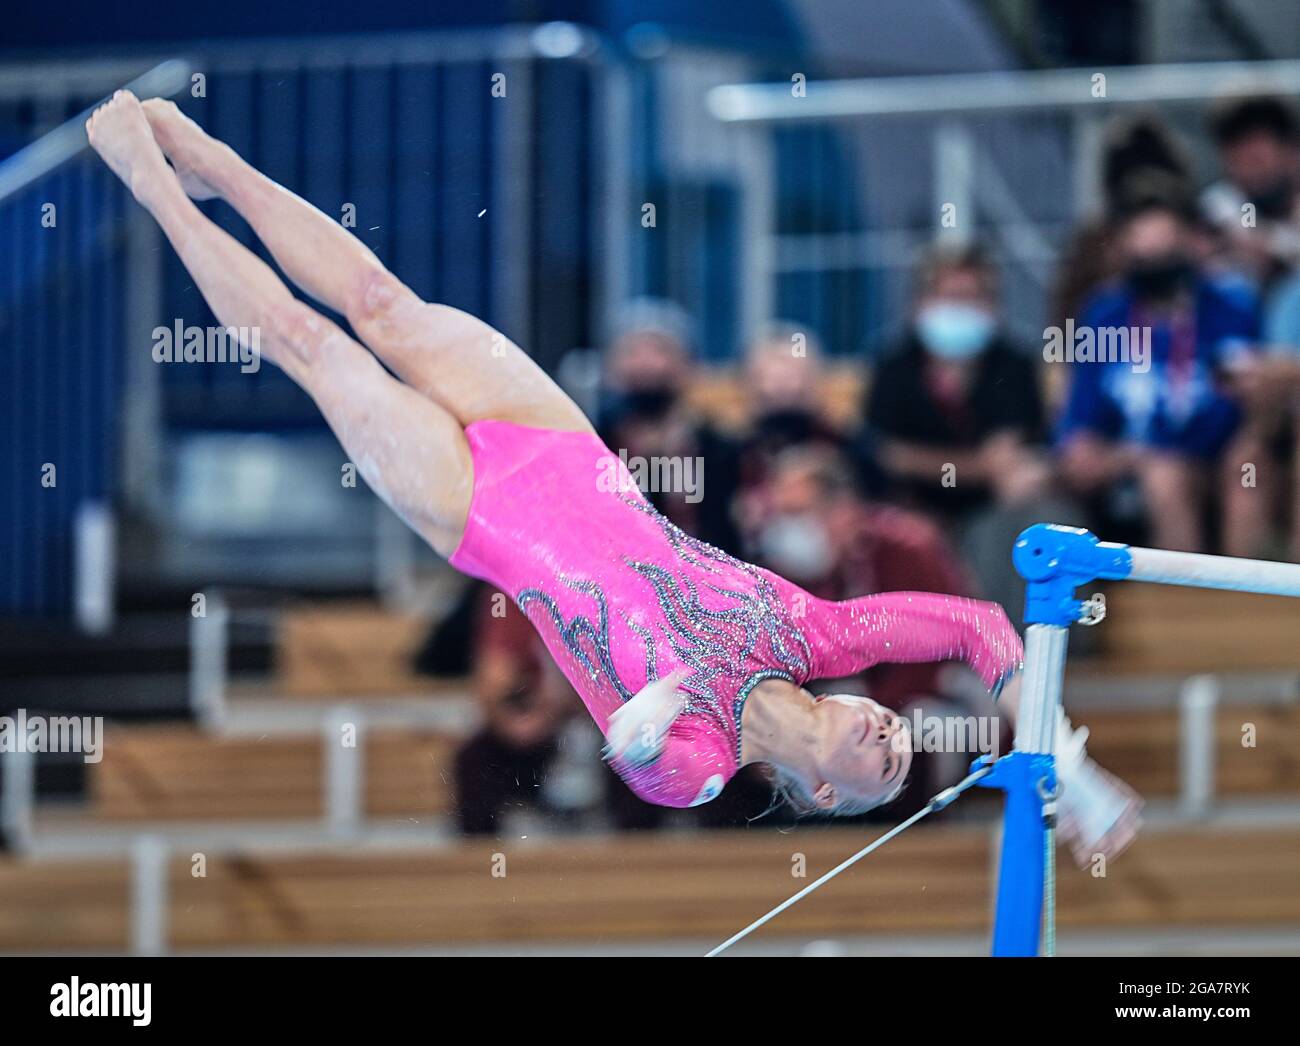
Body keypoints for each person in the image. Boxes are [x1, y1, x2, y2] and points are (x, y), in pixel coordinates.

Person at [85, 91, 1138, 863]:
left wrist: (638, 720)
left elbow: (646, 762)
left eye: (882, 766)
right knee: (380, 299)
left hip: (475, 511)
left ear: (820, 790)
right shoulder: (819, 637)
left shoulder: (706, 759)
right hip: (561, 445)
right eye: (899, 735)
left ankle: (153, 189)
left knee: (319, 350)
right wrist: (1068, 761)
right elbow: (971, 628)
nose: (886, 733)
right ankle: (204, 154)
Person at [1058, 185, 1263, 555]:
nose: (1155, 265)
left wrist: (1138, 455)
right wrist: (1080, 446)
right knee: (1042, 482)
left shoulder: (1231, 308)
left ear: (1191, 242)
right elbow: (1081, 411)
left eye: (1166, 251)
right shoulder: (1104, 315)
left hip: (1208, 463)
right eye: (1143, 254)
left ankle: (1202, 605)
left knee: (1167, 477)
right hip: (1121, 464)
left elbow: (1233, 409)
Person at [867, 243, 1046, 527]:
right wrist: (979, 466)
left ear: (994, 308)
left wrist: (920, 460)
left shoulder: (1015, 365)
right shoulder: (893, 366)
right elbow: (887, 456)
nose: (961, 308)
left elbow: (1009, 456)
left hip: (991, 509)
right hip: (910, 506)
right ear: (919, 305)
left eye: (973, 298)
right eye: (950, 298)